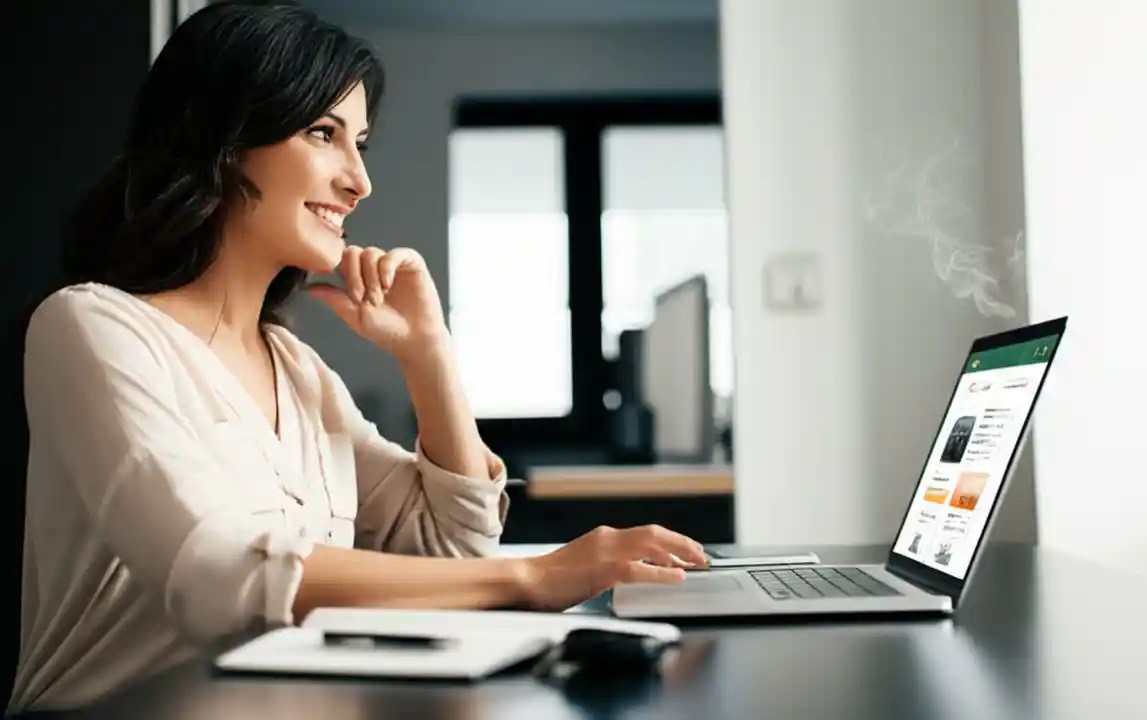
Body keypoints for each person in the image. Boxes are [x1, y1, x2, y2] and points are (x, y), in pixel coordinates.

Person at [10, 3, 708, 712]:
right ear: (221, 140)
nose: (358, 181)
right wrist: (534, 577)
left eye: (361, 144)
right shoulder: (90, 328)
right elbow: (223, 576)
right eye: (323, 134)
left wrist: (428, 353)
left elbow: (454, 549)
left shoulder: (295, 367)